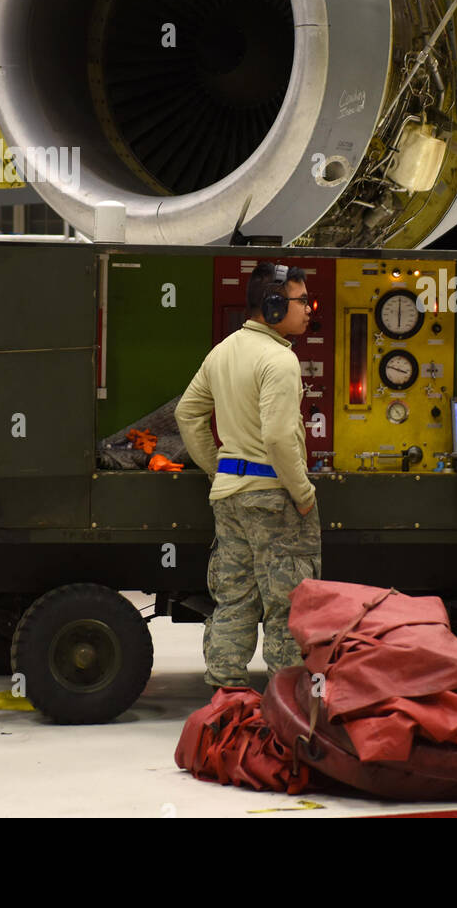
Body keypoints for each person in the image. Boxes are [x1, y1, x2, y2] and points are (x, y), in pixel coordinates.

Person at [175, 262, 319, 689]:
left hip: (230, 497)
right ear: (274, 307)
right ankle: (288, 705)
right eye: (301, 301)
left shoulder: (222, 351)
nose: (310, 309)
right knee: (289, 606)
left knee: (233, 599)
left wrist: (219, 468)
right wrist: (303, 492)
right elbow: (278, 438)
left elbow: (188, 413)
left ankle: (225, 700)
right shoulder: (280, 360)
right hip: (274, 497)